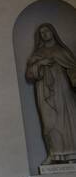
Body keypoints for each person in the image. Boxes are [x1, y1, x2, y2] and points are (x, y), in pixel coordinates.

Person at [25, 23, 76, 164]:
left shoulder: (62, 51)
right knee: (49, 123)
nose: (45, 34)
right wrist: (40, 63)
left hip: (62, 89)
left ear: (53, 32)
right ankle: (54, 154)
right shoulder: (37, 54)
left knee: (67, 120)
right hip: (44, 91)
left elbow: (73, 68)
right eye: (42, 32)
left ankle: (72, 153)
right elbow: (29, 75)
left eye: (47, 31)